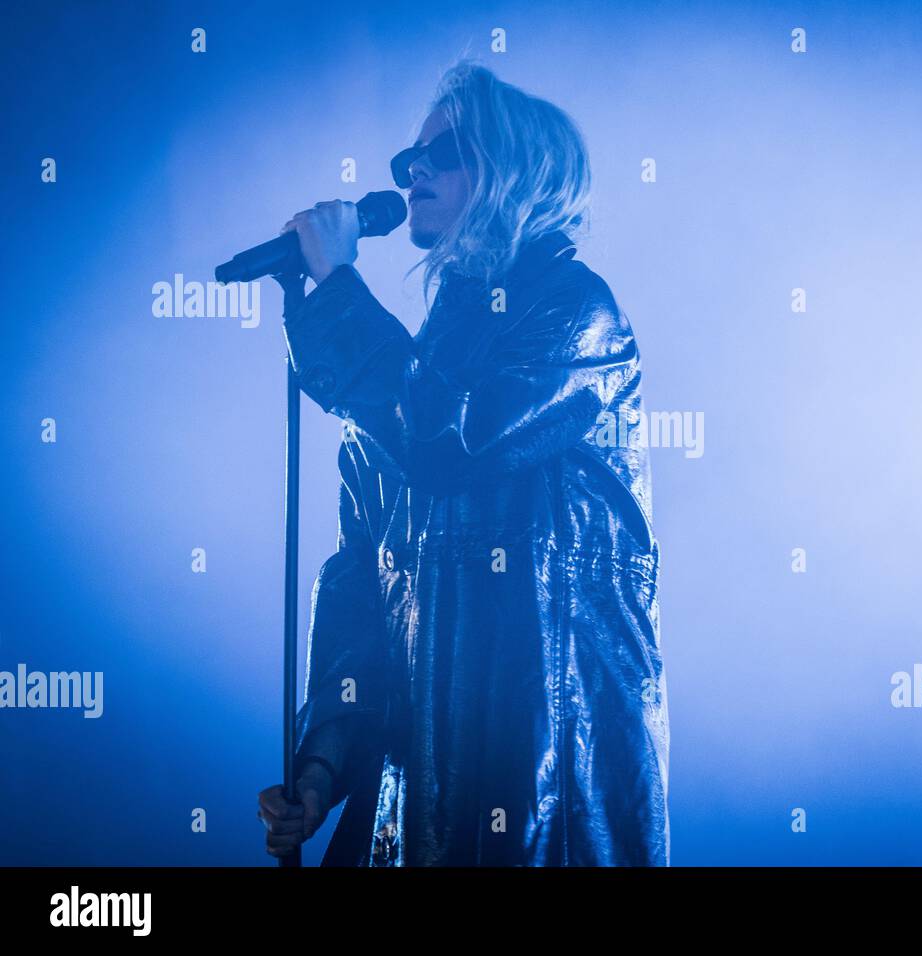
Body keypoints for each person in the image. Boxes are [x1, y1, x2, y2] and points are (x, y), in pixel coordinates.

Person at [256, 61, 668, 866]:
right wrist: (321, 764)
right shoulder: (398, 383)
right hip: (410, 811)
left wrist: (338, 286)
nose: (414, 171)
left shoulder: (578, 315)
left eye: (445, 152)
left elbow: (447, 447)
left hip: (548, 793)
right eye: (406, 159)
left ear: (519, 173)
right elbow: (358, 596)